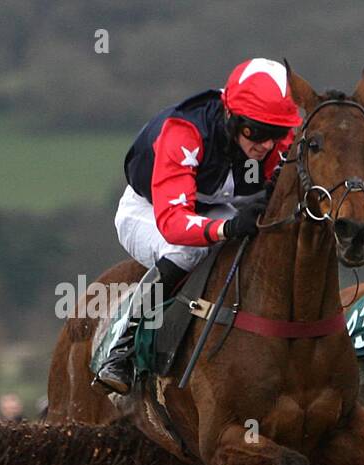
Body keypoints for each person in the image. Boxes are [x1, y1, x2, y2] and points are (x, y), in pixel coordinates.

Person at [94, 58, 301, 395]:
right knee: (188, 248)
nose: (265, 144)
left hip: (216, 205)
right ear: (232, 116)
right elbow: (174, 223)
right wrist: (229, 228)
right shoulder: (185, 132)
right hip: (152, 209)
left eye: (275, 133)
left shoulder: (276, 138)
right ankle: (121, 348)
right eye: (255, 131)